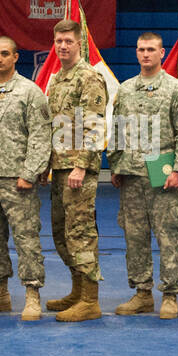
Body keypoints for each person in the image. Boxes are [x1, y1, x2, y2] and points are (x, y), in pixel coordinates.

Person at [108, 32, 178, 319]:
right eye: (141, 50)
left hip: (163, 178)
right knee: (134, 237)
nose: (145, 54)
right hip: (132, 176)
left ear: (162, 53)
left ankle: (170, 294)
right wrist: (116, 165)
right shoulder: (125, 89)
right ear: (136, 53)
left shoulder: (177, 90)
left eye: (151, 50)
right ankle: (142, 293)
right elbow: (117, 130)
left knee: (168, 235)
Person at [0, 36, 52, 320]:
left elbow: (41, 136)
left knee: (26, 239)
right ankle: (0, 293)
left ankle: (32, 294)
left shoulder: (30, 92)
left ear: (16, 57)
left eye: (5, 53)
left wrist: (30, 173)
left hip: (18, 181)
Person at [45, 18, 109, 323]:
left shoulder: (88, 77)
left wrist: (81, 166)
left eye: (68, 41)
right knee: (61, 233)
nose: (63, 46)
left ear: (79, 43)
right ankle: (77, 289)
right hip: (59, 168)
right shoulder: (58, 79)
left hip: (77, 171)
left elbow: (95, 126)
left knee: (80, 232)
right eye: (58, 41)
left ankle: (90, 299)